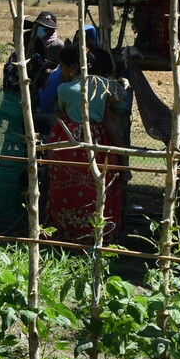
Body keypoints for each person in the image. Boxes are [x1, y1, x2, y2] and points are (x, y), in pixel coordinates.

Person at [43, 39, 128, 244]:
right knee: (100, 187)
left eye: (62, 67)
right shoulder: (108, 85)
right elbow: (120, 108)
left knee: (65, 189)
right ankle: (99, 235)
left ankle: (65, 233)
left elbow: (62, 111)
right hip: (98, 142)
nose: (61, 71)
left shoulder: (65, 89)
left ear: (72, 68)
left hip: (68, 142)